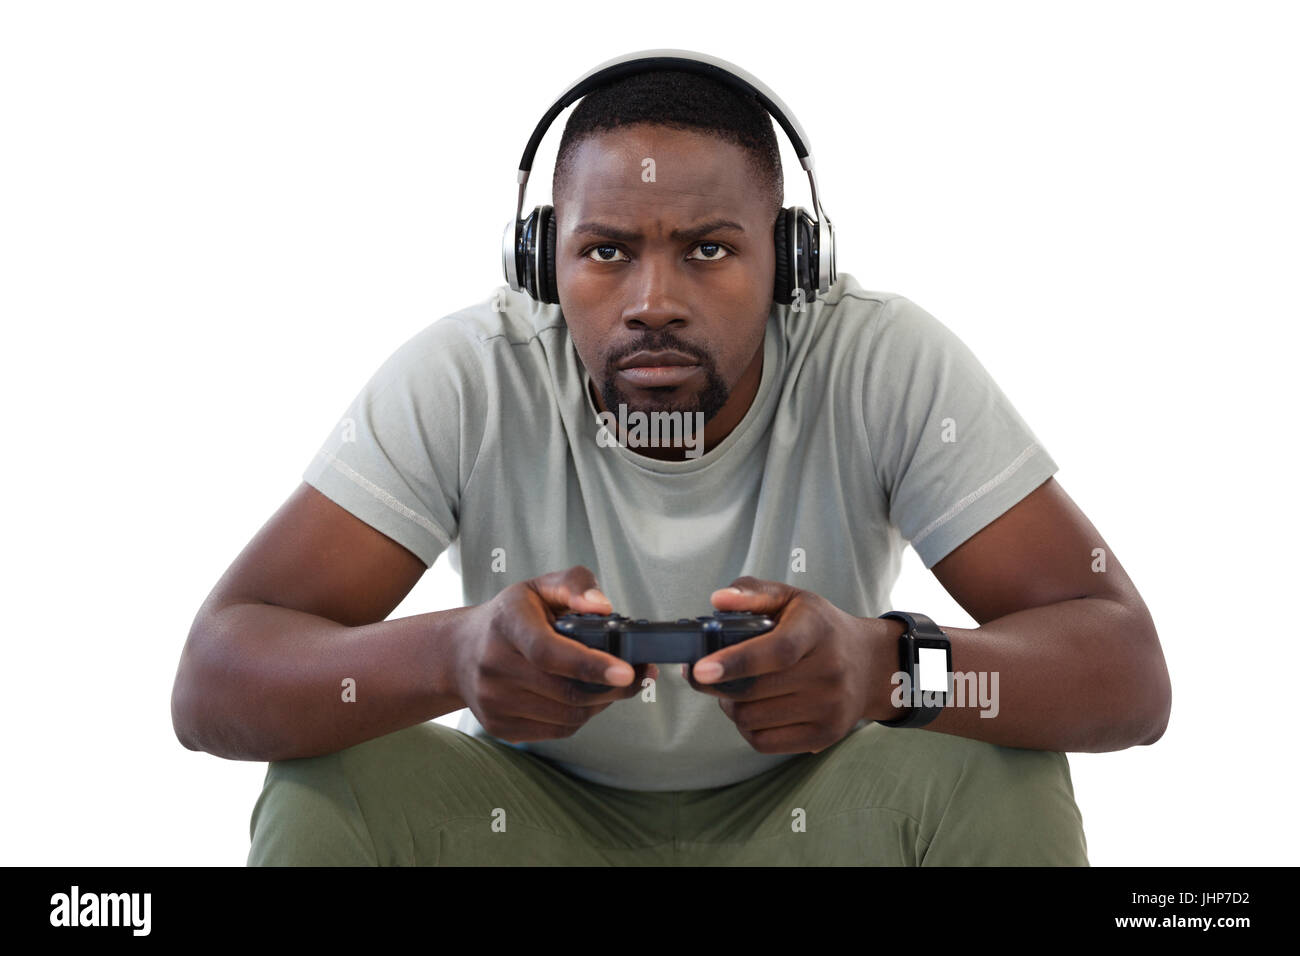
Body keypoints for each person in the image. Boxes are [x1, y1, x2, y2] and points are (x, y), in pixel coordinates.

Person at [170, 52, 1170, 866]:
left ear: (789, 261)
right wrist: (452, 654)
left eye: (707, 249)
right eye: (605, 250)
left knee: (1004, 767)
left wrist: (884, 669)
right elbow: (214, 678)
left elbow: (1123, 672)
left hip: (819, 814)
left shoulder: (883, 360)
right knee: (327, 780)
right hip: (529, 823)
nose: (653, 299)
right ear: (540, 261)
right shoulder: (471, 374)